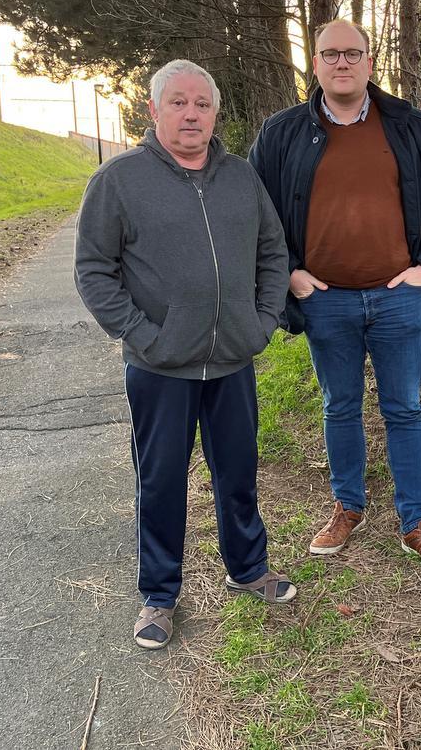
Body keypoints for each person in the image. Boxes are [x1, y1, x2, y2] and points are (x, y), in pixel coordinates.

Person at [74, 59, 296, 650]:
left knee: (238, 472)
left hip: (233, 361)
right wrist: (145, 335)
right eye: (178, 102)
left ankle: (248, 570)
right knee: (162, 480)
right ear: (153, 111)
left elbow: (274, 252)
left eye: (202, 103)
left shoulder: (241, 178)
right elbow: (95, 271)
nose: (191, 113)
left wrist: (262, 320)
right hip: (159, 368)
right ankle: (159, 595)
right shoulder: (119, 180)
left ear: (215, 113)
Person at [248, 19, 421, 575]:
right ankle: (348, 507)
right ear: (314, 64)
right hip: (326, 300)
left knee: (405, 408)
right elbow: (257, 215)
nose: (342, 63)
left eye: (353, 53)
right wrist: (291, 273)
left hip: (398, 297)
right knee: (339, 406)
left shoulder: (409, 125)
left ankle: (415, 522)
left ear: (370, 62)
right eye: (330, 54)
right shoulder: (282, 134)